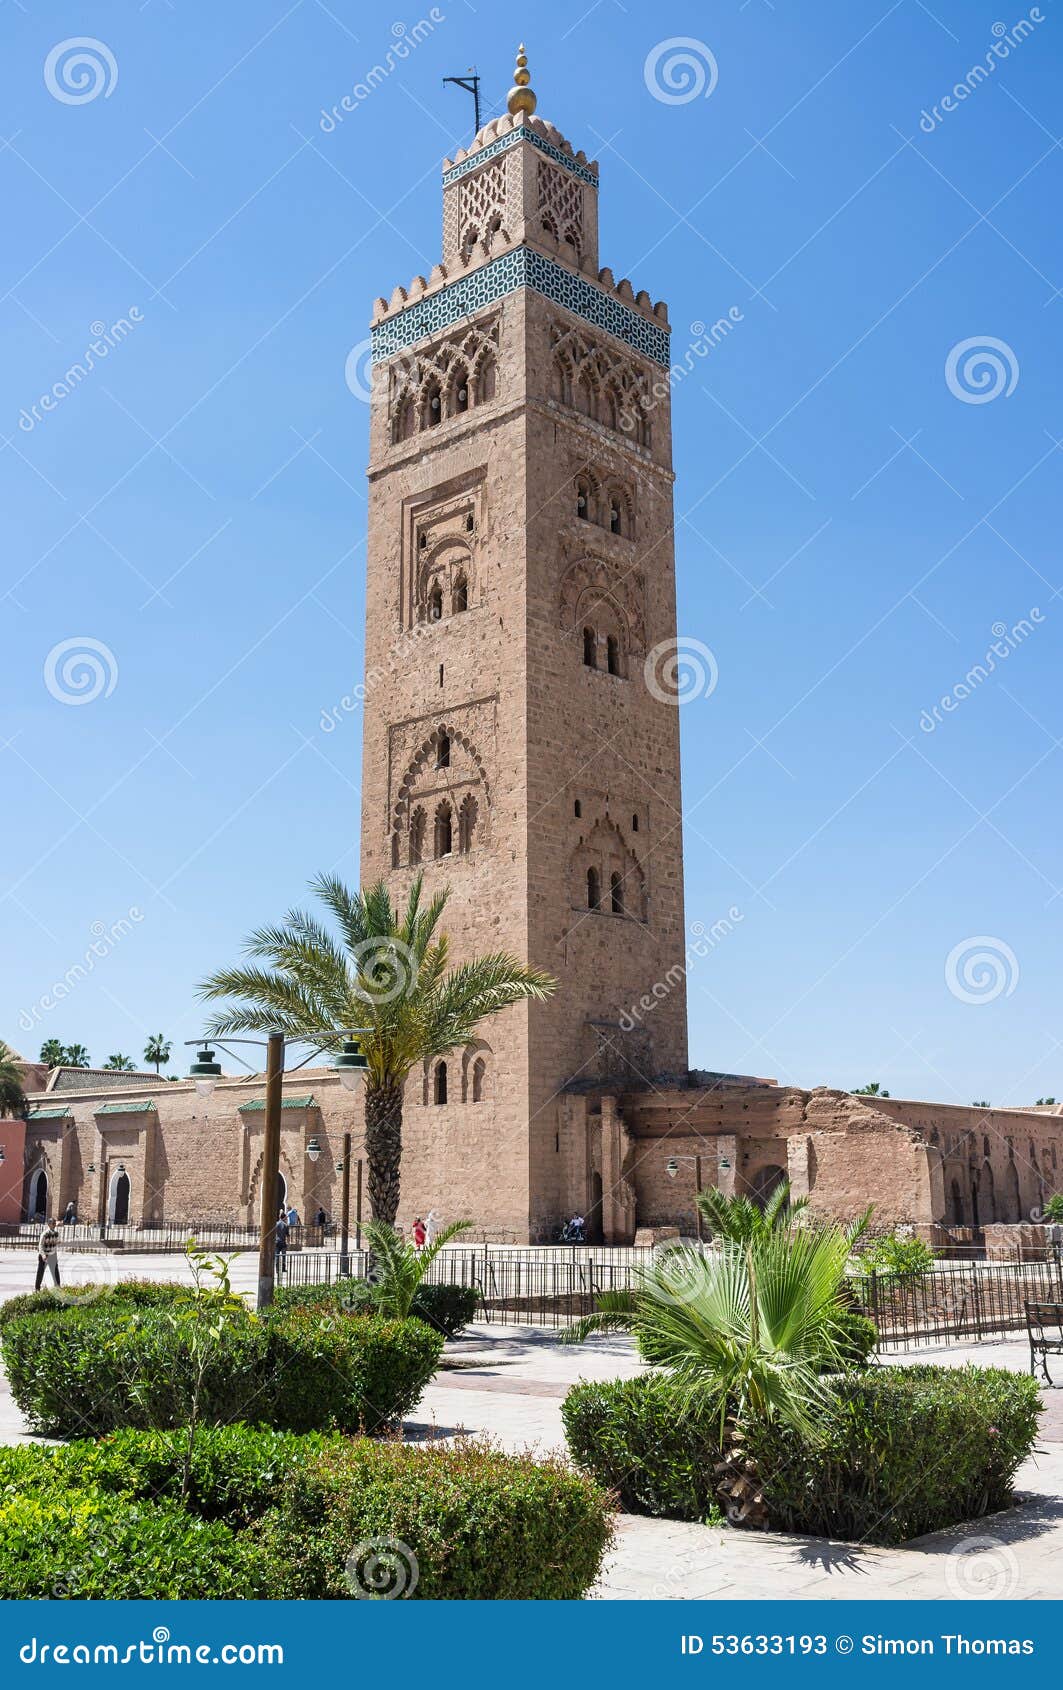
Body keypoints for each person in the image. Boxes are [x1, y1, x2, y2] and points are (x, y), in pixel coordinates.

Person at [35, 1217, 61, 1290]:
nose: (54, 1225)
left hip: (52, 1255)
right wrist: (43, 1255)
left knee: (55, 1272)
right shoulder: (44, 1234)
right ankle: (37, 1288)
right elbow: (40, 1245)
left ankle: (58, 1287)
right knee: (40, 1272)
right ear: (49, 1224)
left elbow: (58, 1242)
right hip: (44, 1255)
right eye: (53, 1224)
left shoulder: (56, 1233)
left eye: (55, 1223)